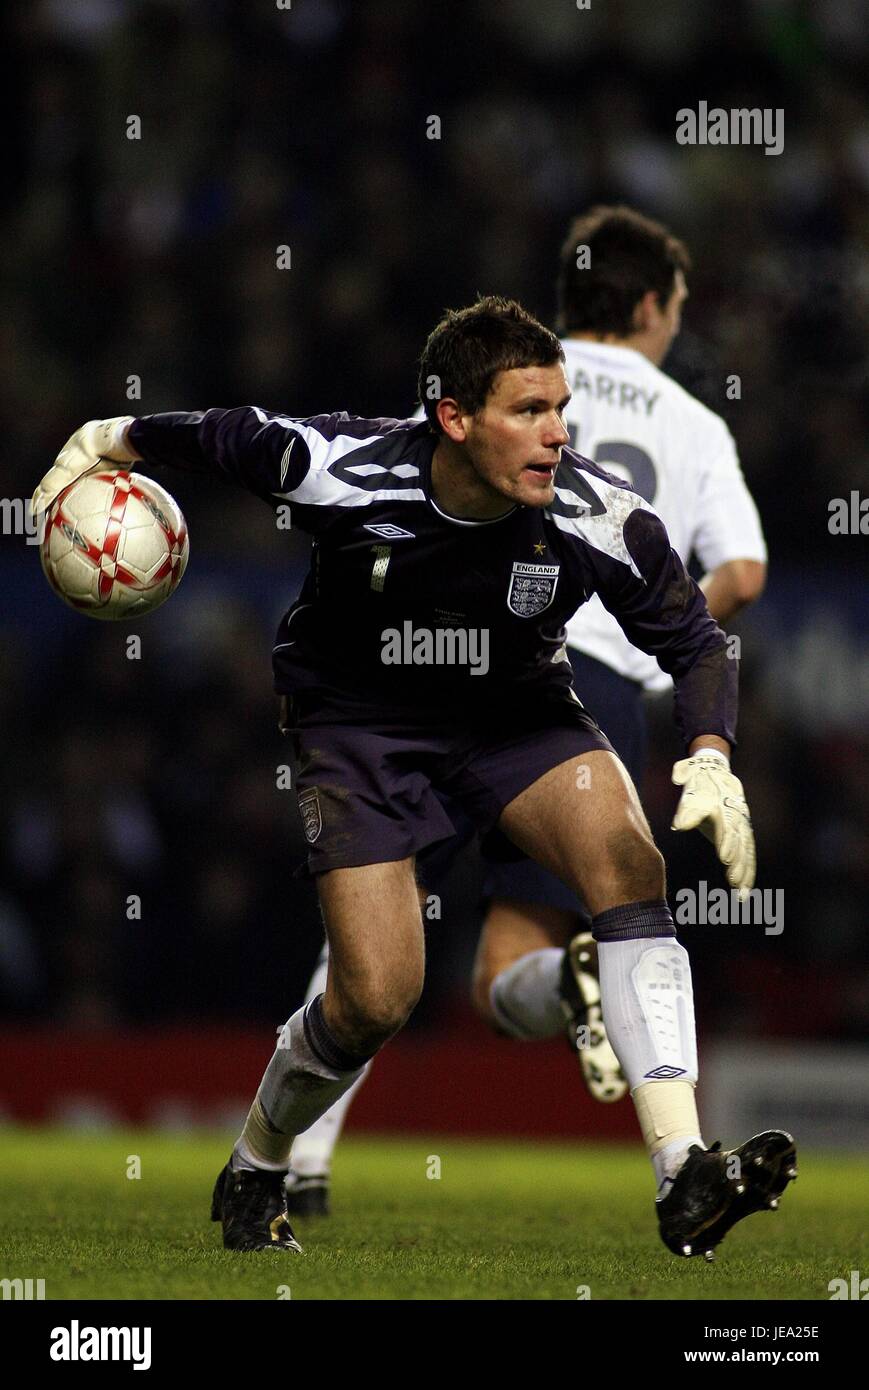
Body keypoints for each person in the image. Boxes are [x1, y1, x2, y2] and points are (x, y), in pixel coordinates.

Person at [32, 295, 795, 1260]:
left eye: (561, 408)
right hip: (358, 732)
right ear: (453, 418)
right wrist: (111, 438)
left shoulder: (593, 510)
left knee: (626, 861)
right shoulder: (344, 470)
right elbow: (232, 435)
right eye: (527, 410)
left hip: (515, 716)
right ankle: (258, 1162)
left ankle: (682, 1173)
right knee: (376, 999)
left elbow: (694, 640)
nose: (557, 433)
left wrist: (712, 757)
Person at [286, 207, 769, 1215]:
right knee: (527, 954)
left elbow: (401, 486)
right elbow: (743, 573)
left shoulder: (505, 381)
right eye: (675, 308)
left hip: (452, 671)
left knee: (373, 927)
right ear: (647, 304)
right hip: (577, 696)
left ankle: (304, 1164)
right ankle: (636, 1096)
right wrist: (658, 653)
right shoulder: (690, 419)